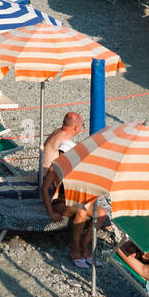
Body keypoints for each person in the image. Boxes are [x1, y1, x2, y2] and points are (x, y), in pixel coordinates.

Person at [40, 113, 95, 268]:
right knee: (82, 211)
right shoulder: (63, 147)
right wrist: (51, 212)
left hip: (62, 188)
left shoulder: (57, 133)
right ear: (77, 127)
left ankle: (85, 246)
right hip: (54, 189)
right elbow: (46, 188)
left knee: (101, 212)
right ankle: (75, 249)